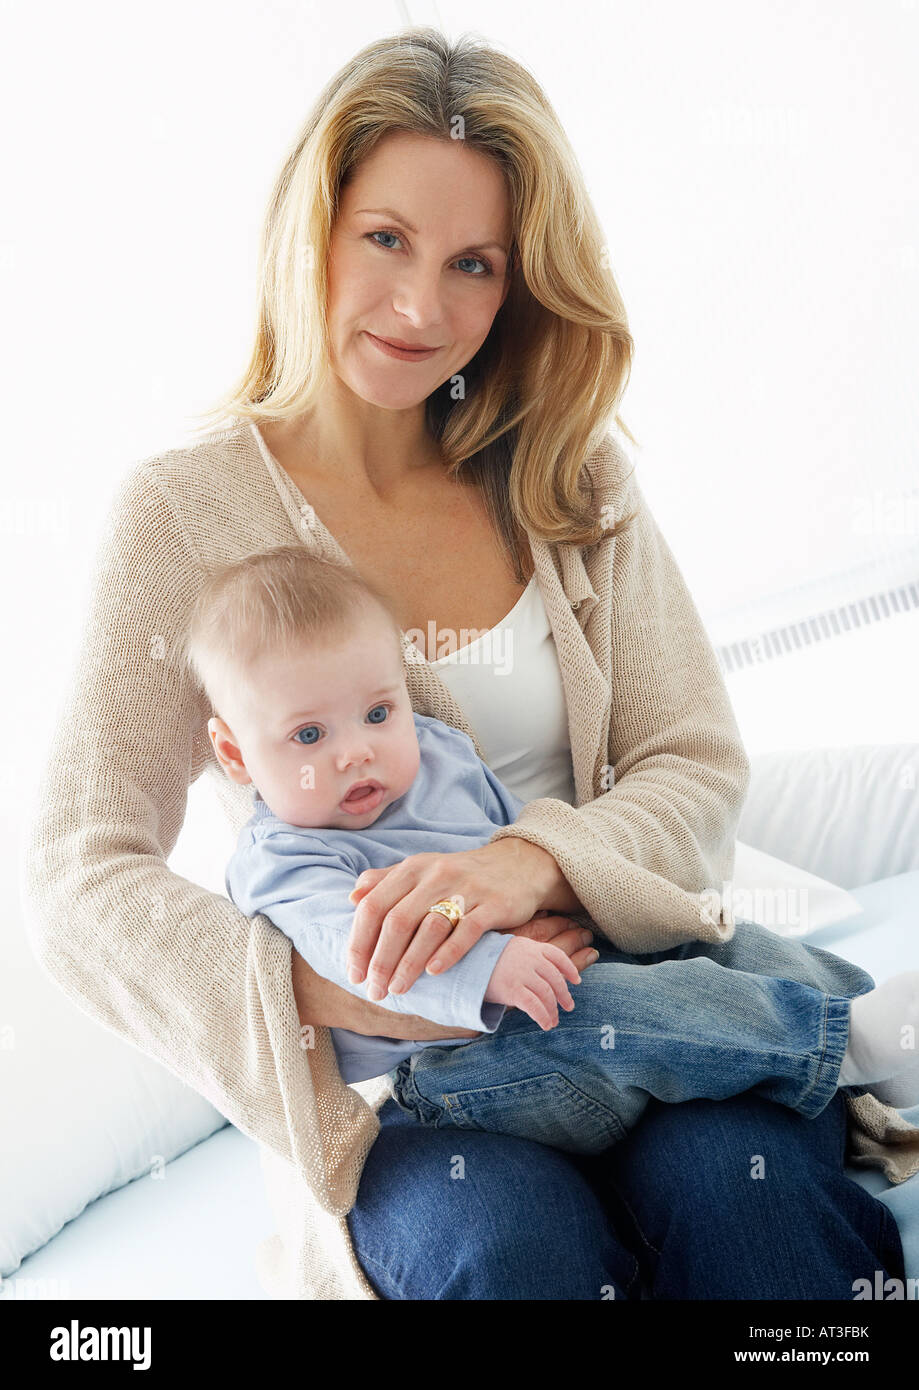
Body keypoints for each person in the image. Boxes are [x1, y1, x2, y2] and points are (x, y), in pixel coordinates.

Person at [22, 27, 916, 1300]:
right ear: (312, 227)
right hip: (414, 1088)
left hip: (632, 995)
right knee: (508, 1253)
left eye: (474, 264)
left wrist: (532, 864)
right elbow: (76, 868)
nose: (420, 309)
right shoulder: (182, 514)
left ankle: (844, 1048)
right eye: (384, 237)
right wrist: (338, 987)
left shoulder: (569, 471)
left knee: (748, 1210)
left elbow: (695, 761)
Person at [191, 543, 919, 1154]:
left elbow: (520, 838)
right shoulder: (285, 861)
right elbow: (359, 958)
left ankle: (875, 1026)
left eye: (378, 712)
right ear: (235, 754)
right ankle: (838, 1046)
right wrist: (491, 967)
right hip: (457, 1065)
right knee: (596, 1003)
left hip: (562, 973)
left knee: (712, 947)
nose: (356, 753)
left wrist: (573, 896)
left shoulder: (438, 754)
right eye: (309, 736)